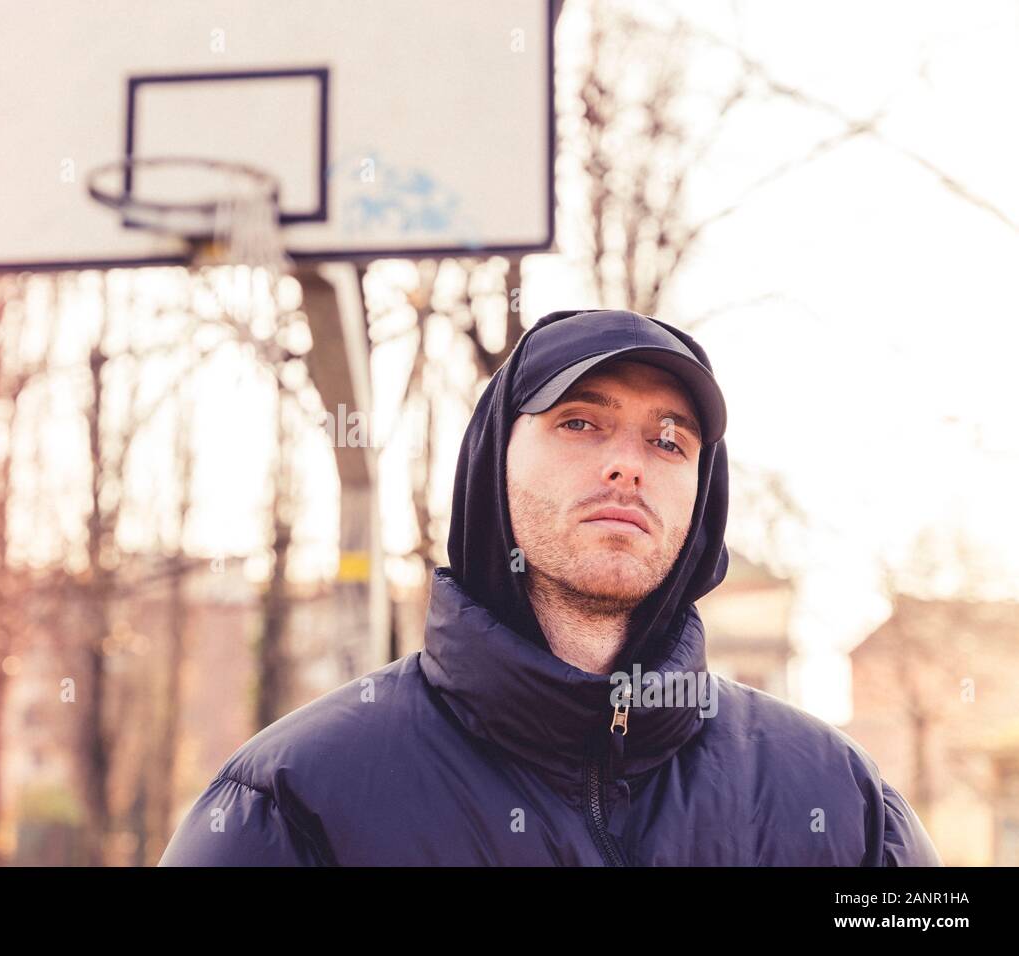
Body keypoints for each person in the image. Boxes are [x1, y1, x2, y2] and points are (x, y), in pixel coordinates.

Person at [158, 308, 942, 866]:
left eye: (670, 440)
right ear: (493, 463)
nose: (629, 463)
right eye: (580, 422)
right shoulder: (292, 805)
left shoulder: (845, 806)